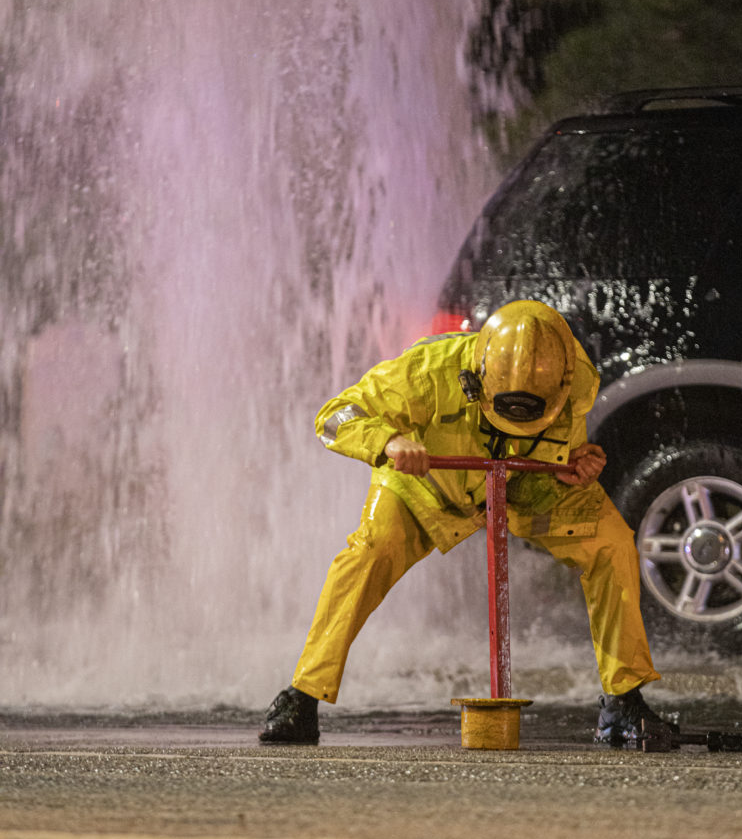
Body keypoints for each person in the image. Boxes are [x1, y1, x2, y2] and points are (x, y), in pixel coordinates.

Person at [259, 300, 663, 747]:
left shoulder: (575, 378)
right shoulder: (428, 371)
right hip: (426, 484)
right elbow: (333, 417)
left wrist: (573, 464)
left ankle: (622, 700)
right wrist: (390, 442)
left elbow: (563, 448)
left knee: (611, 544)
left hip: (525, 483)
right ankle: (302, 696)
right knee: (370, 553)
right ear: (478, 376)